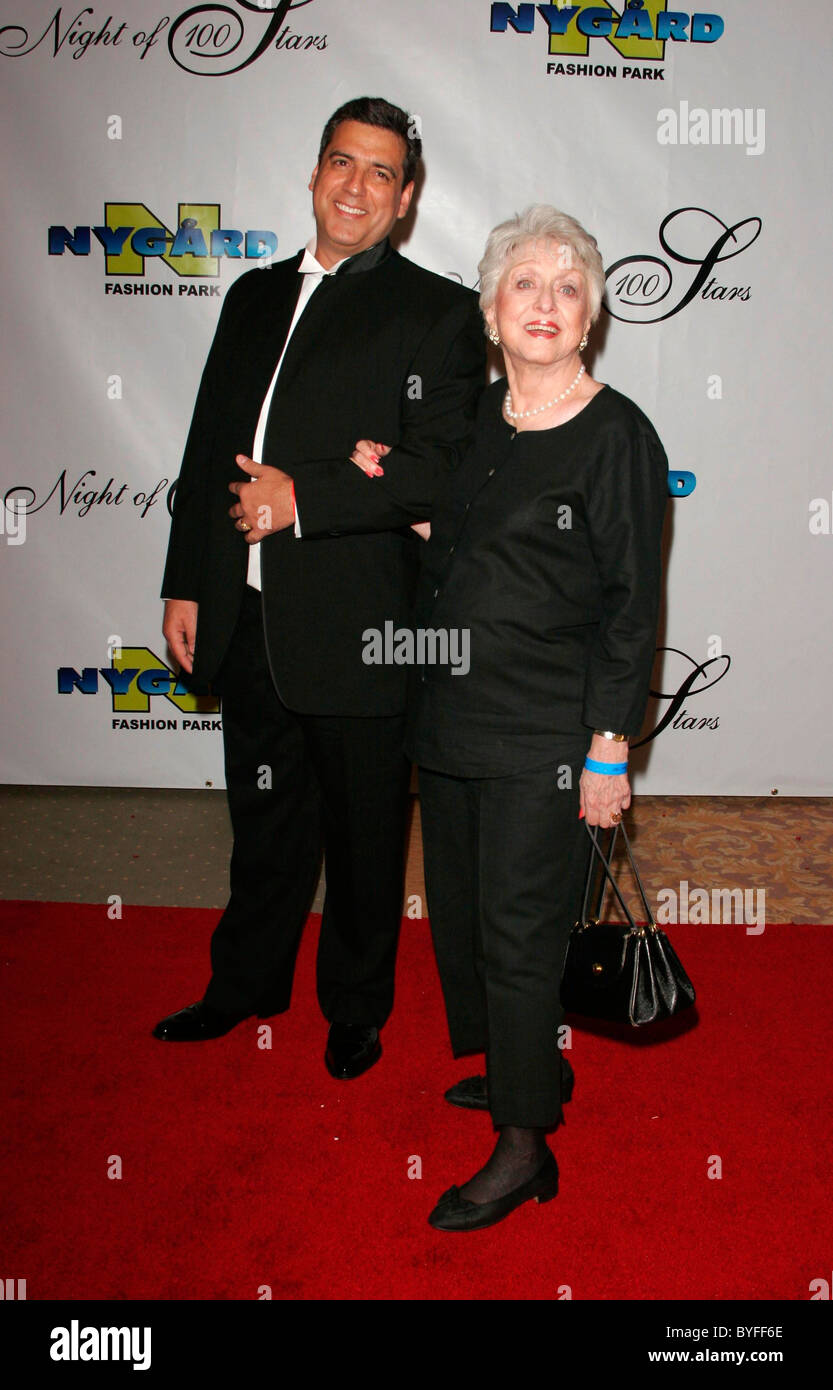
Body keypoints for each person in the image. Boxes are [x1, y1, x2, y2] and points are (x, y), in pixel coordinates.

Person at [153, 97, 485, 1080]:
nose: (355, 185)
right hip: (246, 611)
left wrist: (305, 498)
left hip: (362, 624)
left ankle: (355, 1005)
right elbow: (211, 443)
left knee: (365, 832)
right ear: (312, 173)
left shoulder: (436, 313)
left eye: (380, 172)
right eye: (341, 162)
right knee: (261, 815)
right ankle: (244, 981)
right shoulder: (249, 296)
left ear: (407, 198)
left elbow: (437, 468)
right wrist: (187, 583)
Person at [351, 204, 668, 1227]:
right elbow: (464, 534)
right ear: (491, 310)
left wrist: (608, 750)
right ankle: (526, 1067)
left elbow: (630, 604)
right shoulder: (485, 417)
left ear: (589, 319)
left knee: (521, 933)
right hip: (448, 721)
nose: (544, 302)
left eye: (566, 287)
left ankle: (525, 1146)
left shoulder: (615, 434)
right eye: (523, 284)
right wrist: (393, 489)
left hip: (545, 735)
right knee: (462, 921)